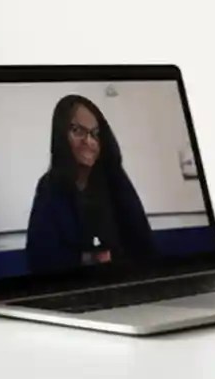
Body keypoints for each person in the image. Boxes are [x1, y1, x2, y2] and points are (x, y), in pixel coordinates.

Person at [26, 94, 155, 273]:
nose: (88, 141)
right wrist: (91, 258)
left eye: (95, 134)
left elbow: (144, 247)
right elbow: (40, 259)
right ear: (61, 135)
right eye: (78, 130)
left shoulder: (115, 180)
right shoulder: (49, 187)